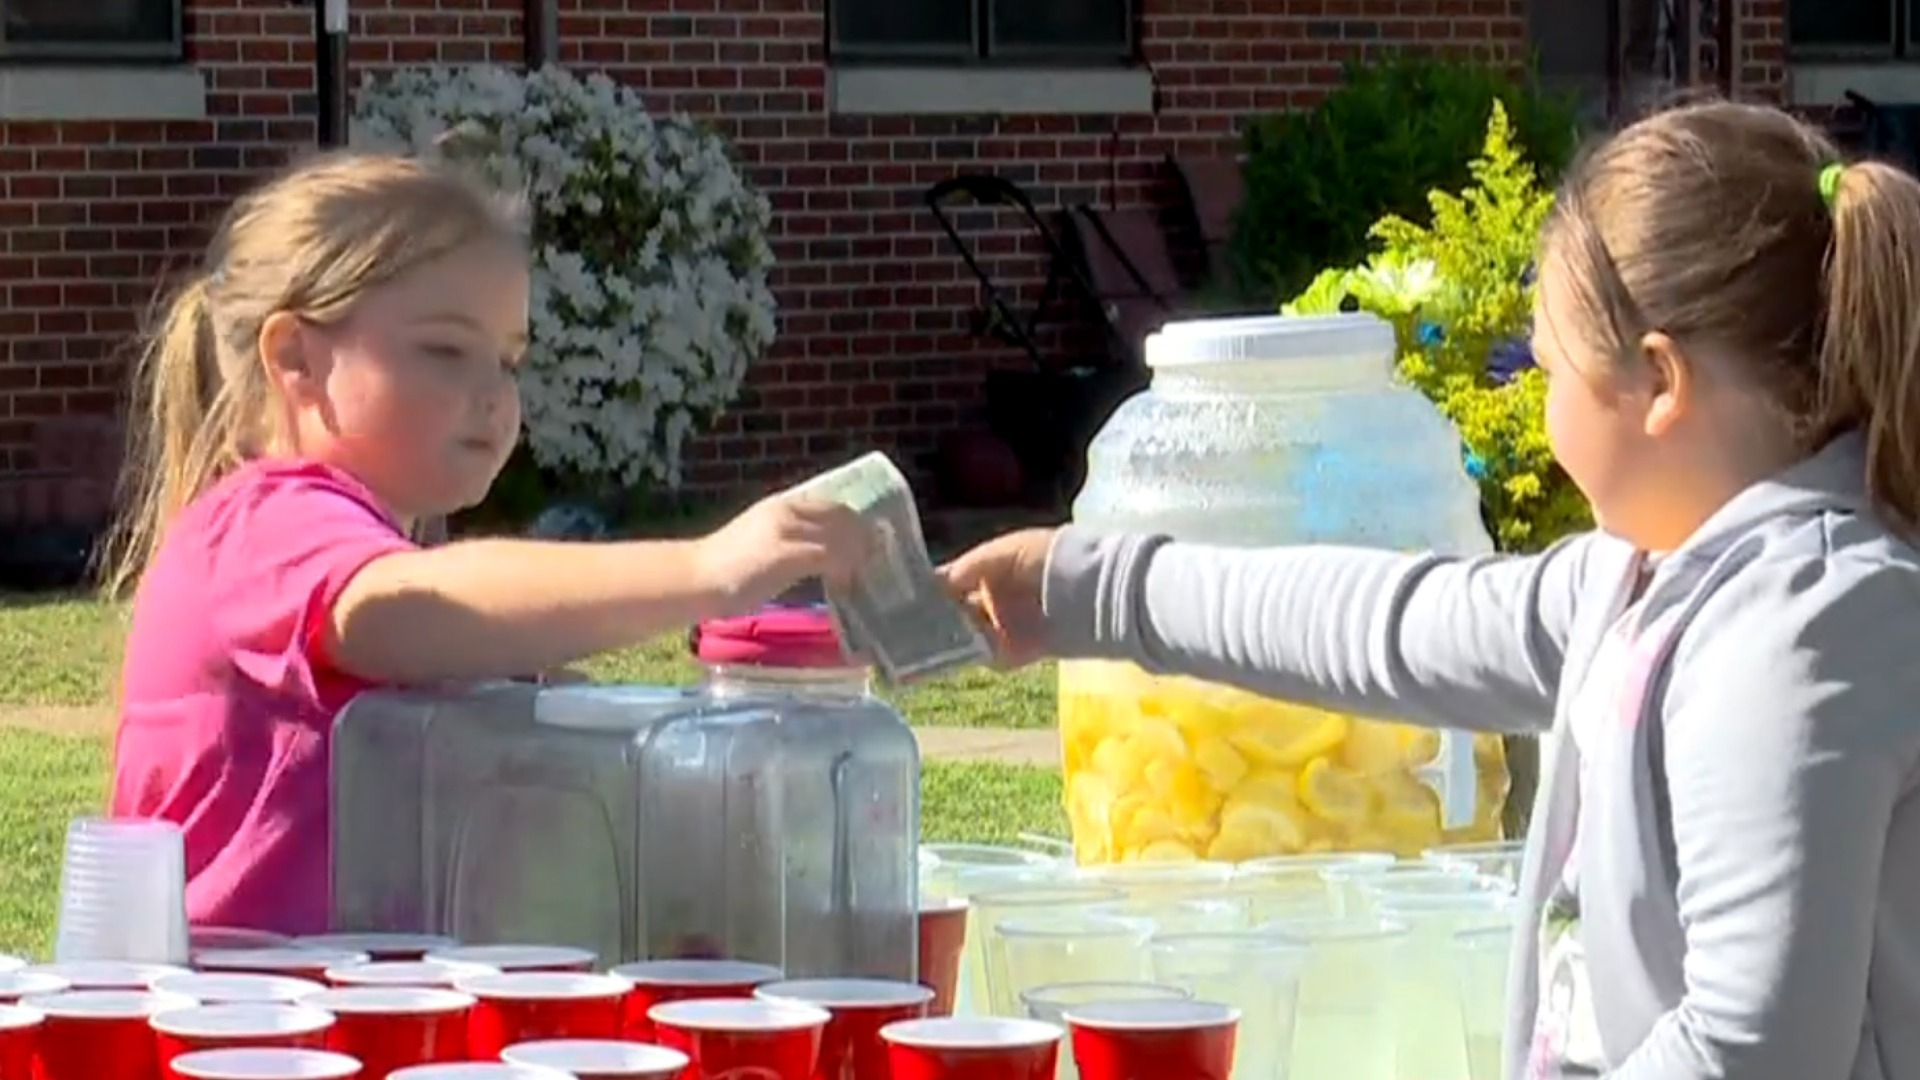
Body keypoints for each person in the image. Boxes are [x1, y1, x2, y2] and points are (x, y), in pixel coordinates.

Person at [942, 100, 1920, 1080]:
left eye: (1549, 367)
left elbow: (1751, 1052)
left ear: (1659, 384)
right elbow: (1390, 623)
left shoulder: (1800, 638)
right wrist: (1082, 589)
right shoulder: (1648, 582)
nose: (1538, 405)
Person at [103, 152, 872, 936]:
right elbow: (406, 607)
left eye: (509, 361)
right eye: (445, 349)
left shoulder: (337, 537)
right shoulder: (262, 526)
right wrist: (709, 568)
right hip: (242, 1039)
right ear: (296, 357)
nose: (495, 393)